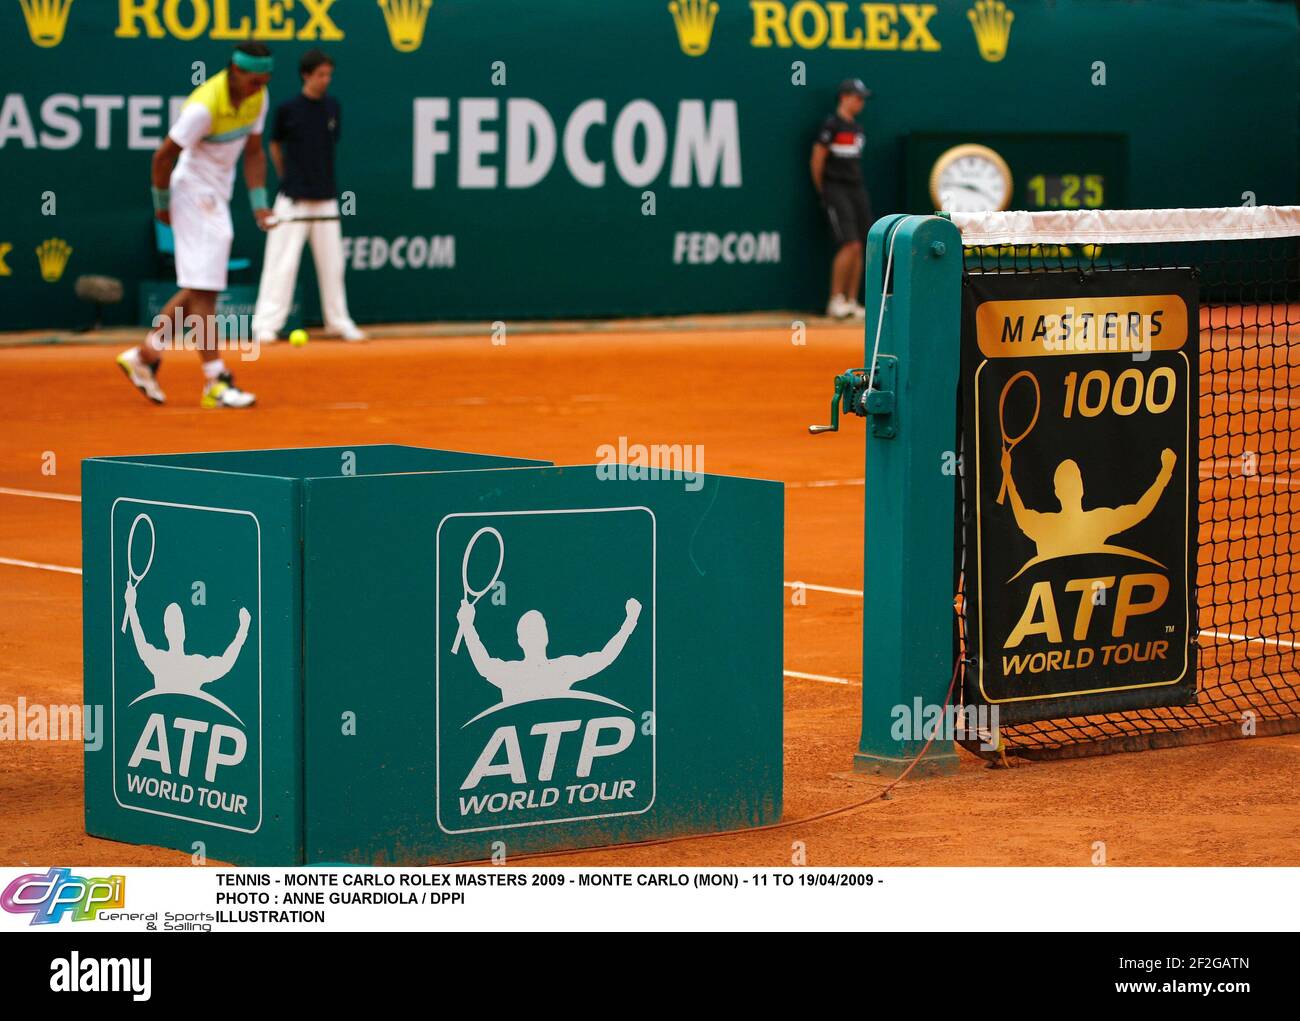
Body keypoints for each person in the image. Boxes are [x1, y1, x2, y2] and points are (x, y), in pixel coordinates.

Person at [117, 42, 272, 408]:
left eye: (265, 80)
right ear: (235, 72)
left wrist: (260, 204)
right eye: (254, 80)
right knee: (205, 292)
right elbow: (162, 156)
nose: (260, 87)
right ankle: (215, 380)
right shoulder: (203, 107)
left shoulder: (258, 98)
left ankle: (144, 356)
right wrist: (162, 206)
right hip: (190, 193)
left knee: (198, 288)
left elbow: (253, 151)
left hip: (217, 195)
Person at [251, 49, 364, 343]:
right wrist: (288, 176)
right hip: (293, 199)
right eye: (320, 75)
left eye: (329, 75)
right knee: (281, 264)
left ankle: (339, 322)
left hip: (325, 197)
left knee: (333, 264)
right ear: (306, 75)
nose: (325, 80)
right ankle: (266, 324)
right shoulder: (288, 110)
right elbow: (274, 146)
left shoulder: (333, 108)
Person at [811, 78, 873, 320]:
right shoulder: (831, 126)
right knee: (850, 244)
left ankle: (851, 300)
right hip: (835, 189)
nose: (860, 103)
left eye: (862, 99)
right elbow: (817, 160)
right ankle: (835, 300)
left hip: (856, 189)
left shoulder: (858, 130)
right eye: (857, 98)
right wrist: (823, 191)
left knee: (862, 244)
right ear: (844, 97)